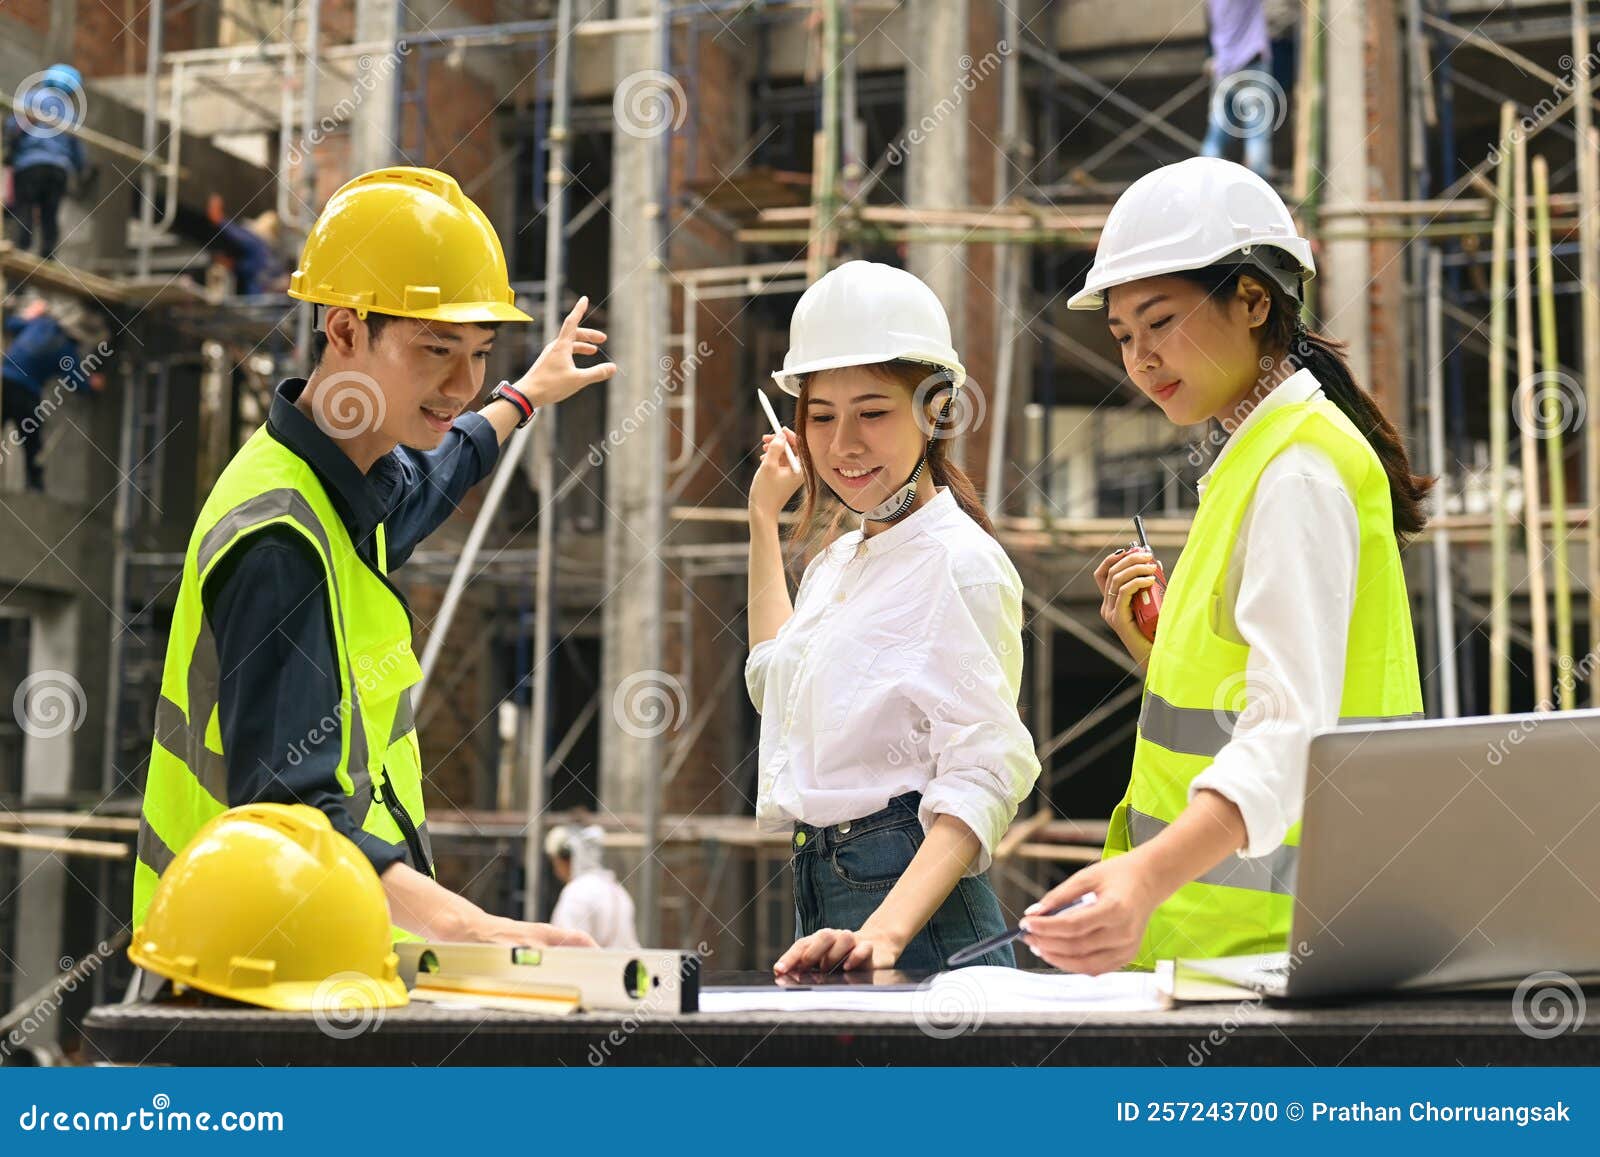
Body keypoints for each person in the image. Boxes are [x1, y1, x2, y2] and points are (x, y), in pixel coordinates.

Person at [133, 166, 616, 948]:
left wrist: (522, 395)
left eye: (481, 352)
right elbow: (297, 817)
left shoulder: (350, 485)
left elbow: (429, 479)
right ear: (346, 329)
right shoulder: (279, 540)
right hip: (238, 970)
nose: (463, 384)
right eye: (437, 350)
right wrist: (471, 926)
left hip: (315, 956)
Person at [1020, 157, 1427, 974]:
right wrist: (1163, 646)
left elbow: (1288, 729)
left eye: (1161, 320)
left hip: (1275, 961)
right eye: (1123, 335)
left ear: (1251, 299)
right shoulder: (1258, 459)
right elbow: (1250, 696)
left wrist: (1144, 875)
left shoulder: (1296, 473)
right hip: (1228, 959)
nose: (1139, 358)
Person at [745, 260, 1040, 974]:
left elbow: (985, 771)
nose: (842, 443)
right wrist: (761, 519)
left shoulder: (957, 561)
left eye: (872, 412)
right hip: (827, 893)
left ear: (936, 410)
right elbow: (772, 682)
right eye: (821, 416)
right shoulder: (837, 562)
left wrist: (885, 930)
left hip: (914, 914)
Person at [2, 295, 107, 491]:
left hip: (3, 381)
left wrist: (29, 315)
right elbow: (77, 382)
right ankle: (34, 489)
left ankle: (34, 487)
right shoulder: (65, 348)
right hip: (25, 391)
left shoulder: (40, 323)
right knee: (32, 444)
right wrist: (93, 385)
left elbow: (10, 323)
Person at [3, 64, 89, 260]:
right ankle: (46, 263)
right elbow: (78, 152)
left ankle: (18, 279)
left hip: (28, 167)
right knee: (50, 218)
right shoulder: (70, 112)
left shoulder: (31, 97)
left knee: (23, 218)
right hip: (58, 171)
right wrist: (80, 170)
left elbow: (12, 127)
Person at [1199, 0, 1275, 180]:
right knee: (1256, 131)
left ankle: (1204, 182)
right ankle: (1257, 187)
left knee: (1216, 131)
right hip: (1251, 62)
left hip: (1223, 67)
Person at [545, 823, 642, 949]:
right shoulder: (618, 890)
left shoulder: (576, 892)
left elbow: (567, 947)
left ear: (565, 860)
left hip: (588, 967)